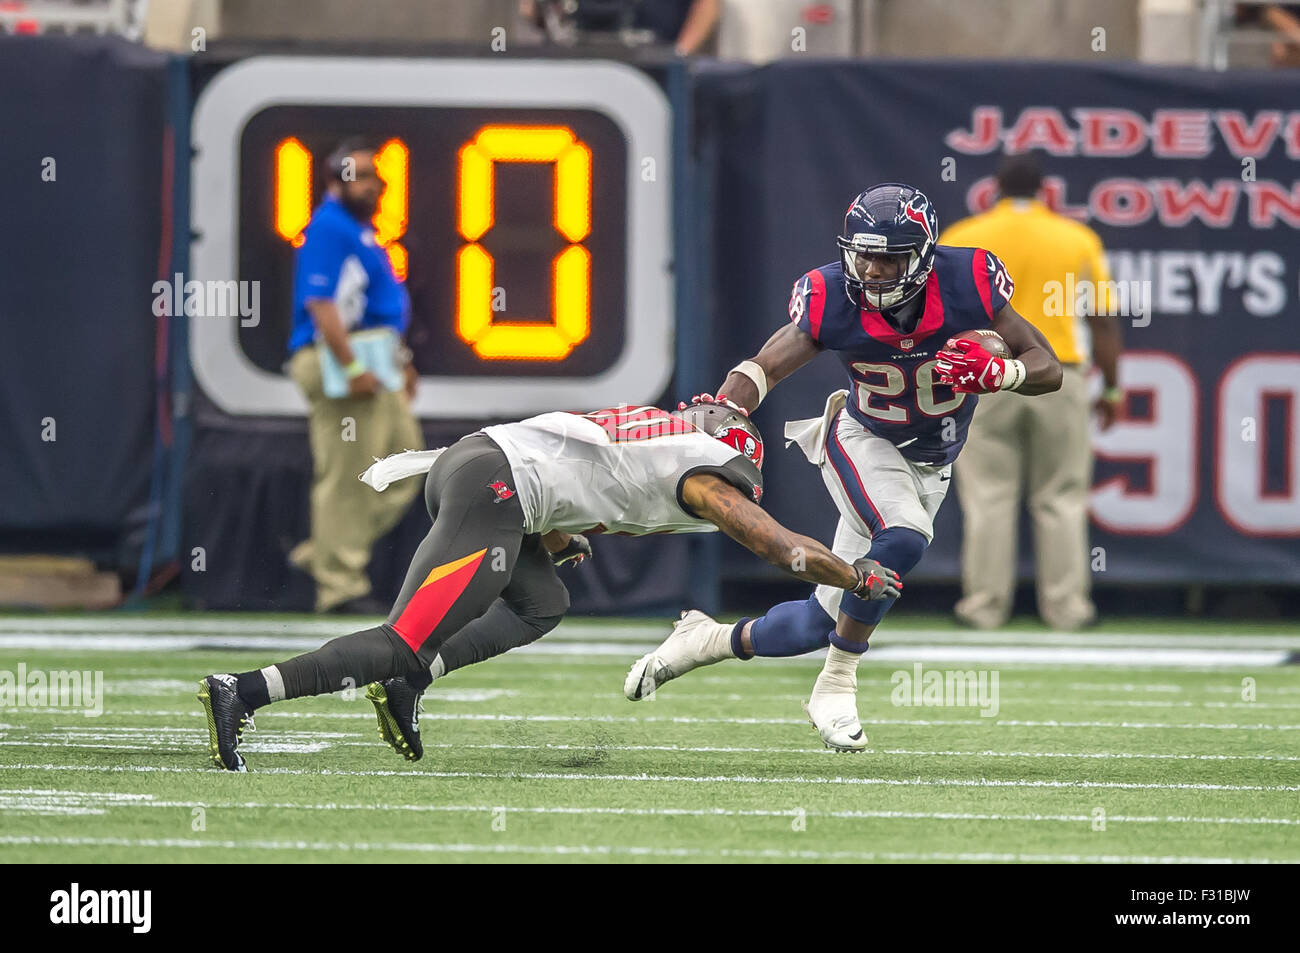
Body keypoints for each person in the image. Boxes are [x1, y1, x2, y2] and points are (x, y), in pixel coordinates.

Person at [197, 399, 901, 771]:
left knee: (542, 602)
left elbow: (575, 460)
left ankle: (412, 683)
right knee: (402, 639)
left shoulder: (658, 432)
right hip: (494, 488)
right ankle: (246, 690)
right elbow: (776, 545)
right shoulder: (703, 470)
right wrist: (855, 570)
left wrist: (555, 532)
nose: (740, 492)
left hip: (489, 472)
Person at [623, 183, 1063, 752]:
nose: (875, 271)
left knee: (814, 623)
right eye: (865, 255)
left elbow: (1047, 365)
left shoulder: (968, 281)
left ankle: (703, 640)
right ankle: (837, 682)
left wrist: (1005, 374)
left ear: (925, 258)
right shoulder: (831, 294)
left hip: (931, 462)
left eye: (890, 258)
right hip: (863, 438)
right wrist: (727, 405)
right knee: (905, 536)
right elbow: (764, 366)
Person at [939, 153, 1122, 631]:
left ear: (994, 187)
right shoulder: (1076, 237)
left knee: (987, 495)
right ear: (1045, 191)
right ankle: (1067, 610)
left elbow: (935, 317)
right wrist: (1115, 388)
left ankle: (983, 608)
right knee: (1060, 496)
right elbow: (1102, 320)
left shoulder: (961, 236)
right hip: (1057, 373)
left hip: (985, 374)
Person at [285, 137, 423, 615]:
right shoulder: (327, 227)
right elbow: (322, 304)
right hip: (340, 359)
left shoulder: (361, 232)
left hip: (375, 359)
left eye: (374, 177)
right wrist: (351, 365)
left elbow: (371, 308)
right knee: (349, 477)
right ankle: (339, 586)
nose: (369, 185)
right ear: (332, 181)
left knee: (407, 469)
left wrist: (399, 362)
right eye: (357, 176)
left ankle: (326, 551)